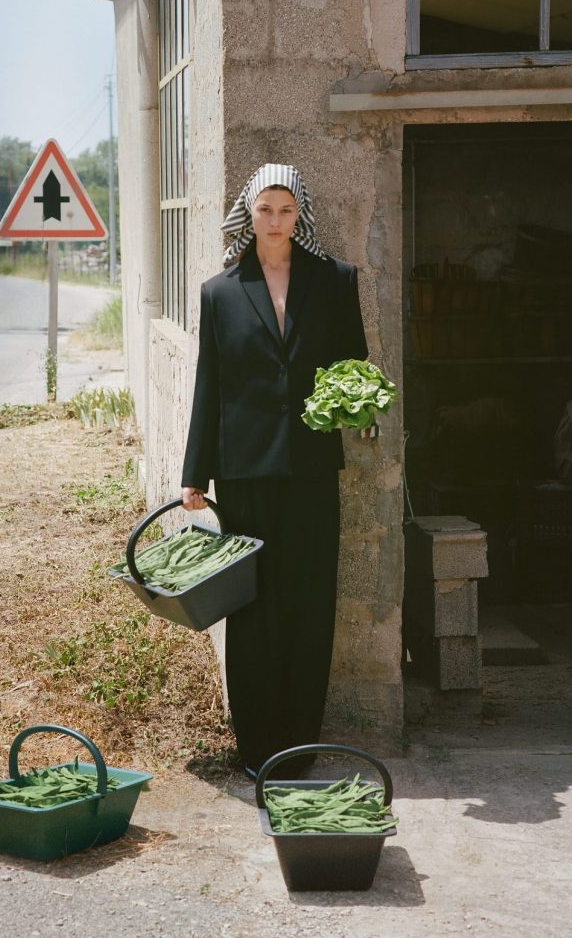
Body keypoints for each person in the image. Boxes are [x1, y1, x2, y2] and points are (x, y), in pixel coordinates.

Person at [181, 163, 368, 779]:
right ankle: (256, 749)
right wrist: (195, 476)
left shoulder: (336, 281)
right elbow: (210, 386)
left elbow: (354, 367)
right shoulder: (220, 292)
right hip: (245, 473)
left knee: (310, 605)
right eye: (265, 210)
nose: (275, 222)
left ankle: (300, 748)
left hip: (312, 468)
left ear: (300, 216)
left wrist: (363, 406)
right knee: (255, 609)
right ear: (248, 214)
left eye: (286, 210)